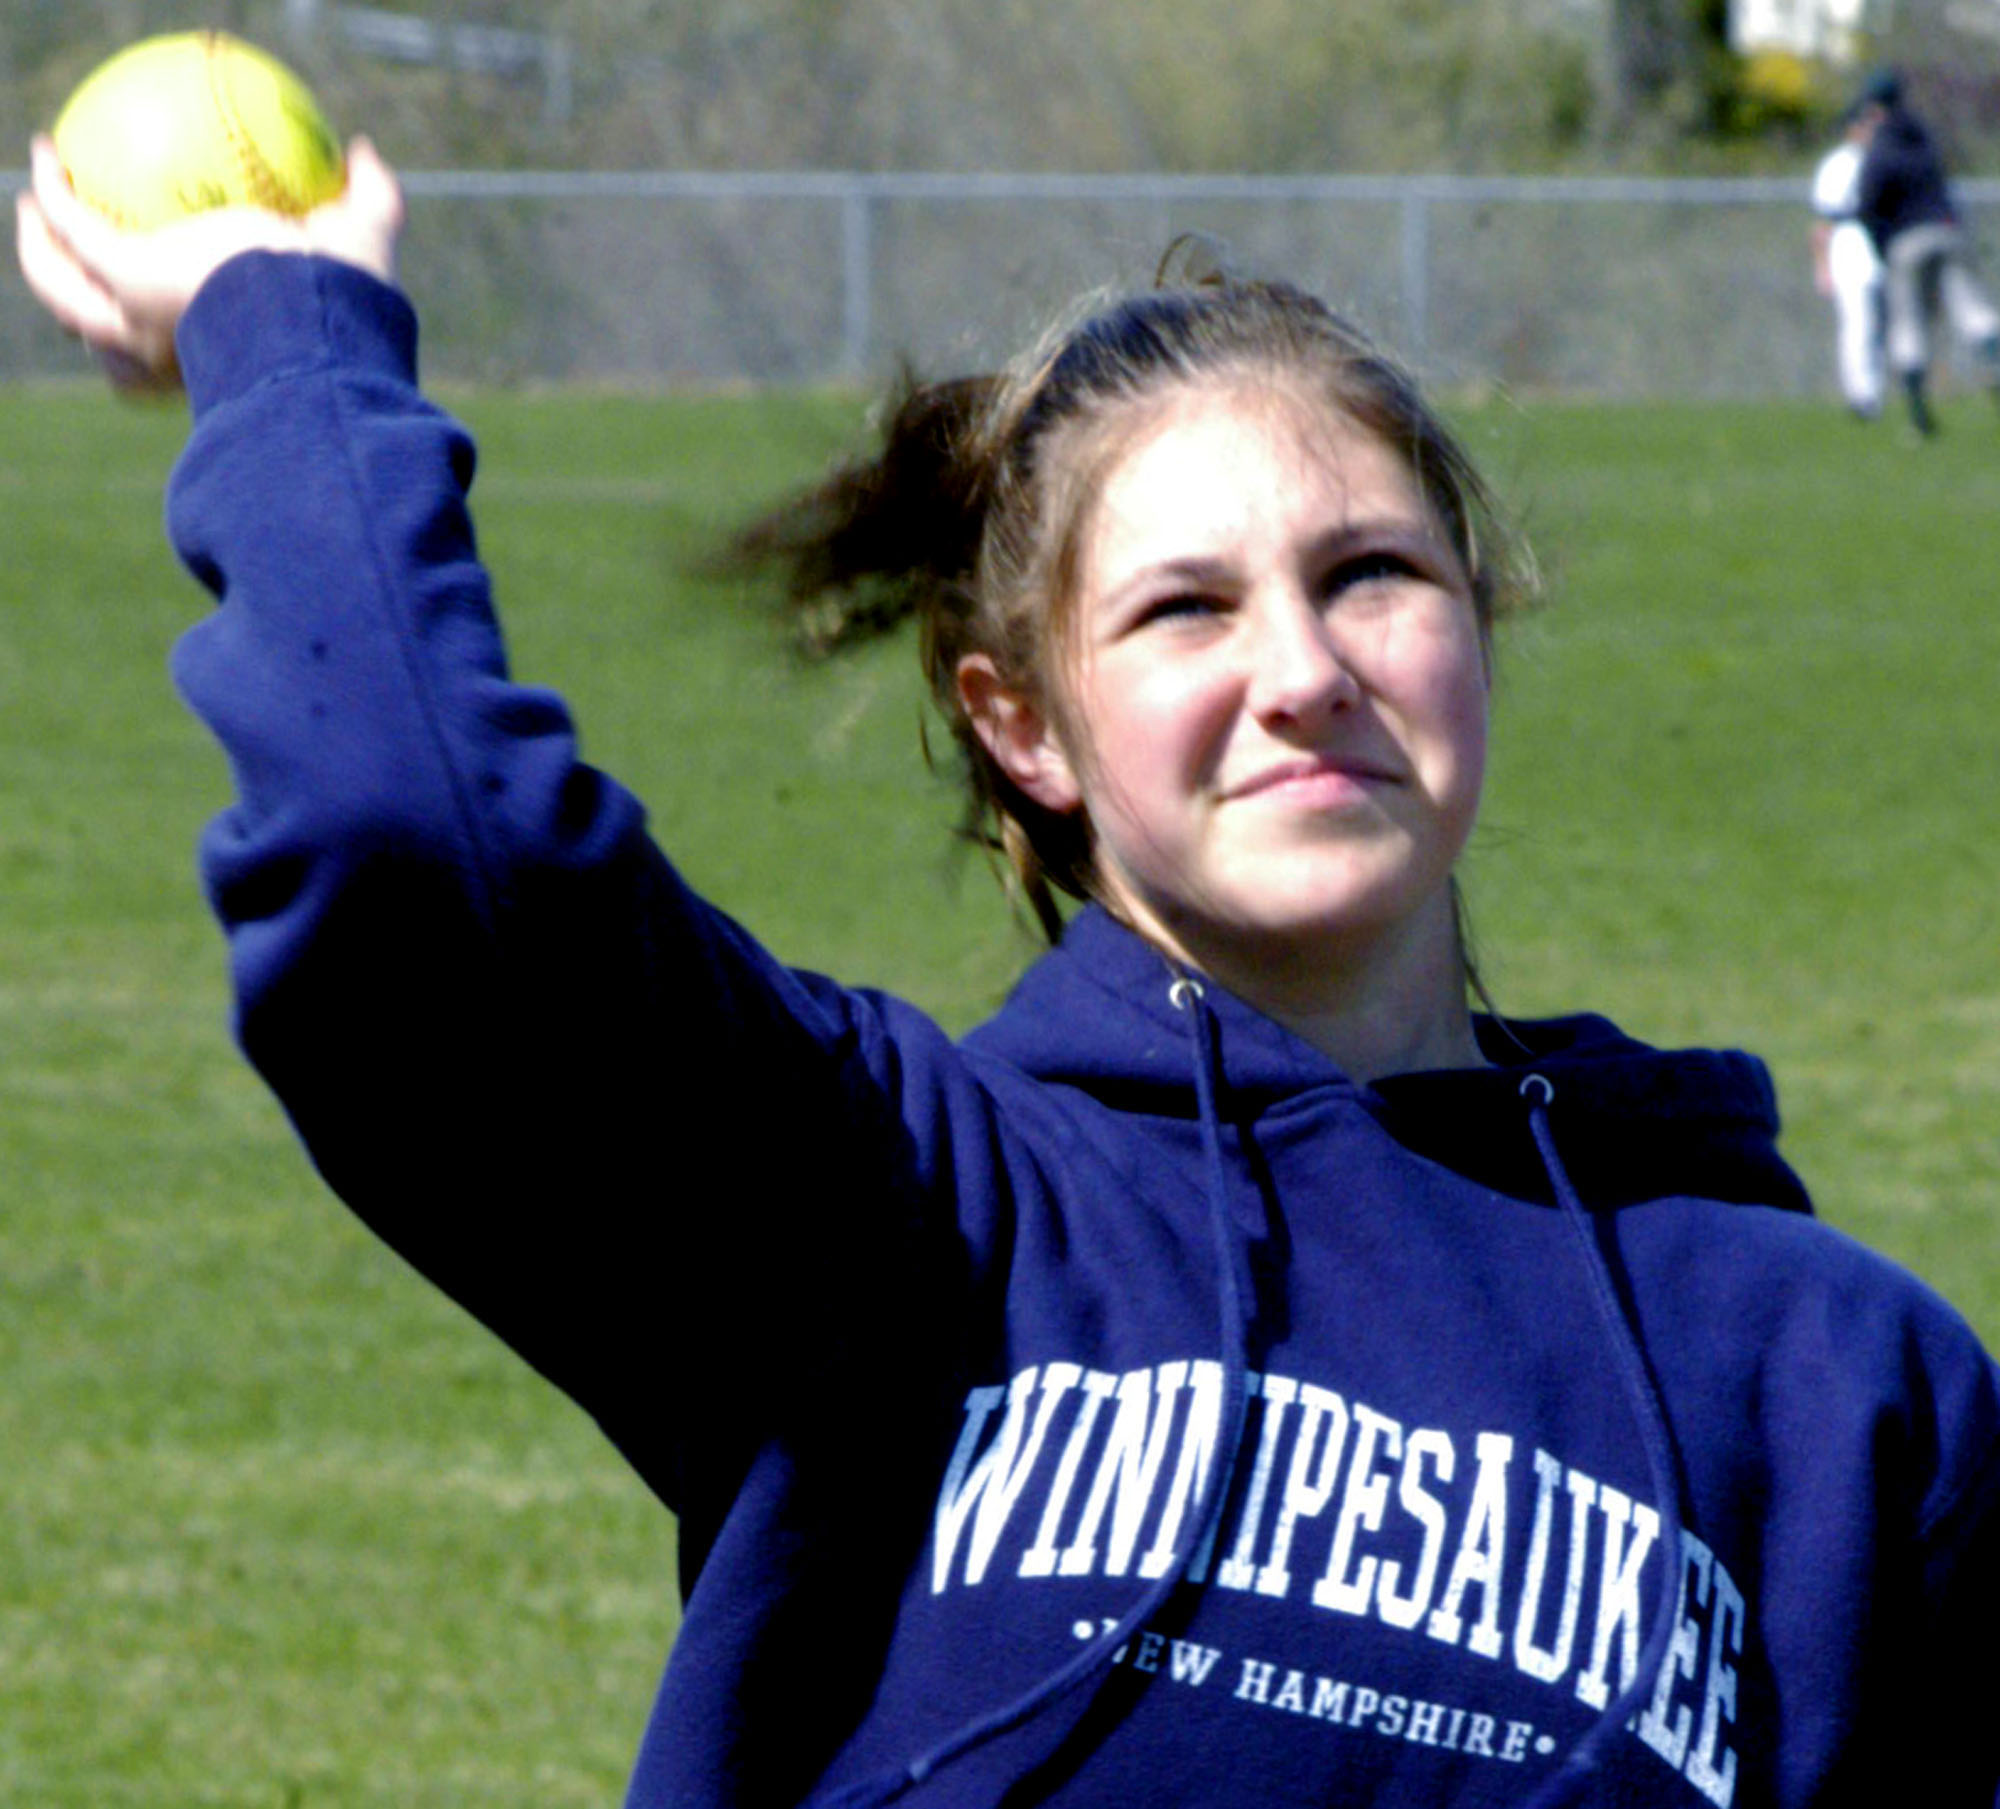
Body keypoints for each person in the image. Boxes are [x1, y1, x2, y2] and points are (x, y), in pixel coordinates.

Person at [17, 133, 2000, 1809]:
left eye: (1371, 575)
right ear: (1020, 724)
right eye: (1182, 608)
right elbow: (407, 833)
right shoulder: (888, 1203)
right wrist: (282, 333)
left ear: (1474, 631)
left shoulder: (1823, 1379)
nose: (1301, 671)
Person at [1852, 66, 2000, 436]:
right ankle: (1993, 362)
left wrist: (1881, 248)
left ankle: (1920, 420)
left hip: (1906, 239)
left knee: (1909, 325)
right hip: (1947, 230)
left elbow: (1868, 207)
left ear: (1874, 107)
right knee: (1973, 312)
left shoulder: (1881, 146)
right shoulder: (1923, 137)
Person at [1809, 104, 1885, 420]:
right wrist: (1821, 266)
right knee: (1857, 323)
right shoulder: (1837, 165)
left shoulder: (1883, 160)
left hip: (1881, 242)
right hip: (1848, 244)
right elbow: (1822, 224)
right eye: (1865, 125)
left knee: (1881, 324)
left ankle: (1875, 392)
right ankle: (1860, 395)